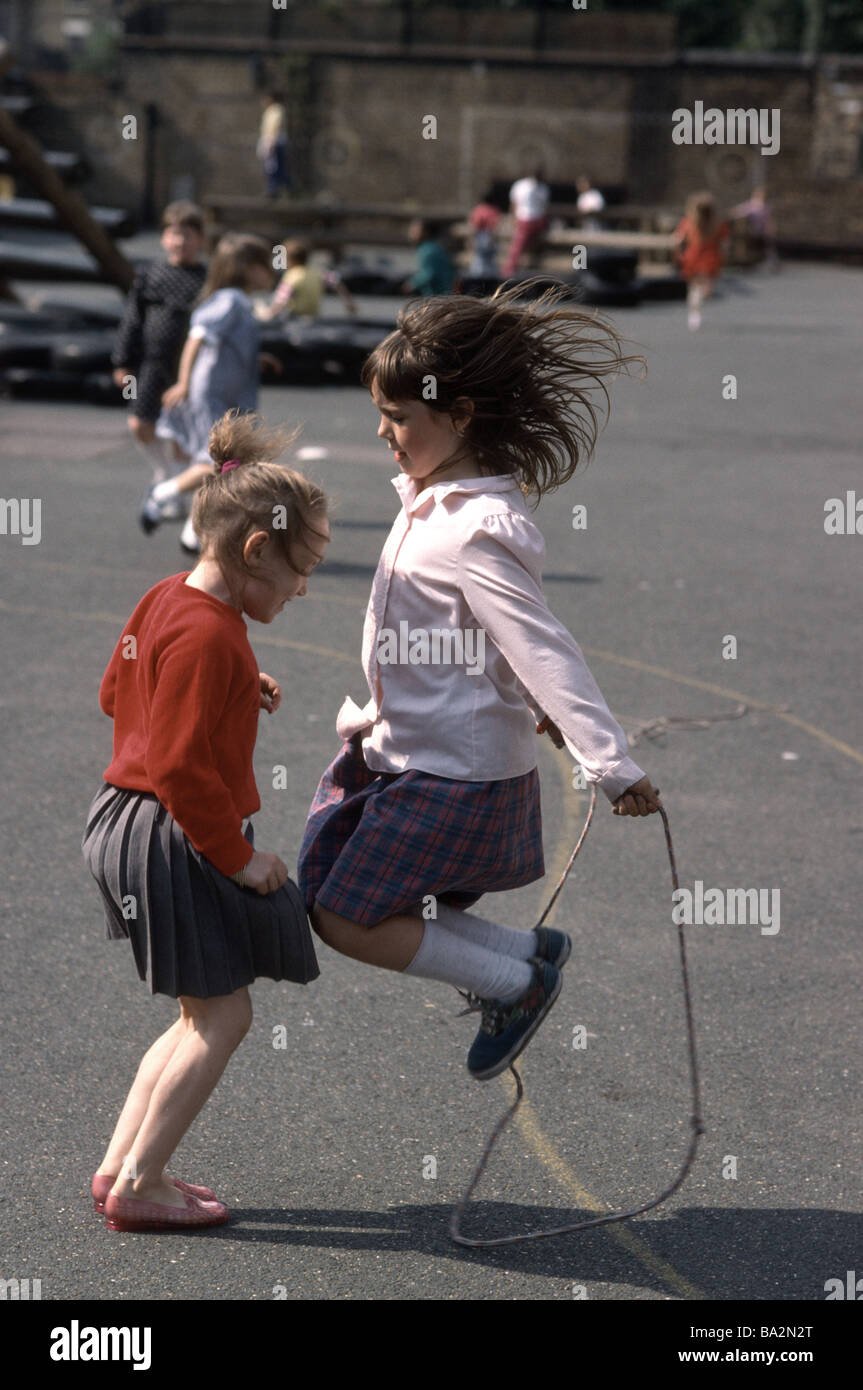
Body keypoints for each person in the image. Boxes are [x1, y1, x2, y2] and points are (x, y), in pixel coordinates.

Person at [297, 283, 662, 1084]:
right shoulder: (433, 503)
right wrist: (537, 710)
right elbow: (488, 642)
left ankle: (515, 983)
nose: (384, 433)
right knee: (328, 887)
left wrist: (608, 761)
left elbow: (538, 643)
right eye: (382, 415)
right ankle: (525, 953)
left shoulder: (474, 528)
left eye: (398, 418)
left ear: (458, 415)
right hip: (412, 751)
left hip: (452, 773)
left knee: (345, 916)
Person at [82, 410, 329, 1232]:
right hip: (171, 831)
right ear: (257, 550)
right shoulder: (211, 639)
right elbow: (183, 766)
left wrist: (233, 690)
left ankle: (124, 1166)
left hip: (124, 819)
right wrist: (239, 859)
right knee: (224, 1015)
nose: (302, 590)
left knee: (199, 1013)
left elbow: (118, 695)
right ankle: (141, 1186)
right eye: (298, 572)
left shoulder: (169, 599)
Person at [142, 233, 280, 551]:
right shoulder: (229, 300)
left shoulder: (239, 302)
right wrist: (184, 382)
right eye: (264, 265)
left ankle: (193, 535)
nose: (270, 272)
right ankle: (162, 493)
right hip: (211, 395)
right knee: (219, 463)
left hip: (225, 395)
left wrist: (256, 359)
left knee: (226, 466)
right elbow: (198, 337)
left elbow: (227, 346)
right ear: (247, 268)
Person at [111, 201, 207, 504]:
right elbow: (132, 319)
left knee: (179, 431)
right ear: (164, 238)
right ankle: (163, 470)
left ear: (200, 240)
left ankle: (176, 493)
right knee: (139, 422)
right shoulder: (150, 275)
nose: (179, 241)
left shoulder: (205, 280)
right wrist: (123, 361)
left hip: (188, 369)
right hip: (151, 363)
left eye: (187, 235)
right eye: (173, 233)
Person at [257, 239, 357, 320]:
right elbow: (336, 282)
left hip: (294, 318)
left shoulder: (293, 276)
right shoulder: (317, 273)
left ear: (291, 260)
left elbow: (281, 299)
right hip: (313, 318)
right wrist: (349, 303)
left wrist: (268, 314)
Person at [673, 191, 730, 331]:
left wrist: (678, 254)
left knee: (694, 287)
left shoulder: (688, 222)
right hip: (711, 257)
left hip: (693, 256)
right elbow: (725, 243)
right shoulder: (718, 224)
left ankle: (694, 312)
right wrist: (724, 256)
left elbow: (677, 240)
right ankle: (701, 298)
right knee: (706, 286)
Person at [502, 167, 550, 277]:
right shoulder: (527, 186)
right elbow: (514, 204)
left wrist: (513, 217)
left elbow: (514, 204)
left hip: (534, 219)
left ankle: (512, 268)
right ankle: (509, 269)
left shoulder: (539, 187)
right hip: (527, 219)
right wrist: (513, 218)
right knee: (519, 244)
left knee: (520, 244)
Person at [400, 219, 455, 297]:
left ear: (426, 232)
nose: (411, 233)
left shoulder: (428, 250)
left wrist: (411, 284)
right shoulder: (434, 246)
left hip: (439, 295)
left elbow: (428, 273)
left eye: (415, 230)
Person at [731, 186, 779, 272]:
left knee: (768, 247)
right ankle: (746, 263)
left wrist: (770, 231)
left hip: (761, 231)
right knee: (760, 246)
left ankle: (773, 263)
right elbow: (738, 212)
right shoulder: (752, 205)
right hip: (754, 231)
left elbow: (769, 221)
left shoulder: (764, 207)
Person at [257, 91, 291, 198]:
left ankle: (273, 190)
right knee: (274, 168)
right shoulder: (272, 110)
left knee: (273, 167)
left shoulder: (276, 110)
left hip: (274, 141)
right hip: (272, 141)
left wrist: (270, 142)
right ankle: (278, 189)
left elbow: (274, 128)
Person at [467, 189, 503, 278]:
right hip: (489, 234)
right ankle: (490, 275)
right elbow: (495, 225)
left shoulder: (478, 209)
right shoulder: (494, 210)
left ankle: (478, 274)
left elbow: (474, 225)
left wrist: (471, 238)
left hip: (480, 234)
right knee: (490, 256)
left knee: (480, 256)